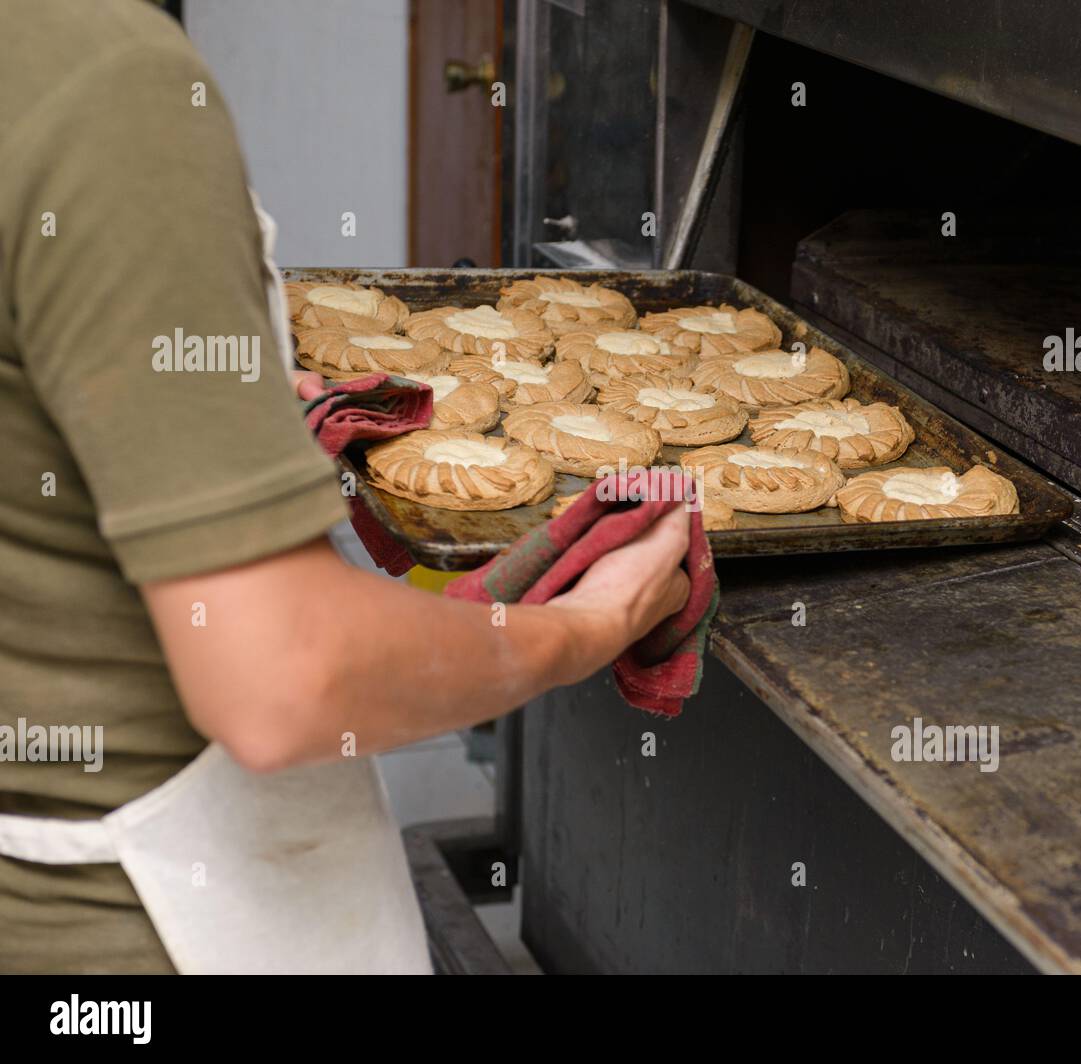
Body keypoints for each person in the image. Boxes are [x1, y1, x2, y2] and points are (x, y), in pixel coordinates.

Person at [0, 0, 689, 974]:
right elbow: (285, 677)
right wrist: (583, 627)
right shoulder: (106, 81)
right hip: (155, 920)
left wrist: (187, 417)